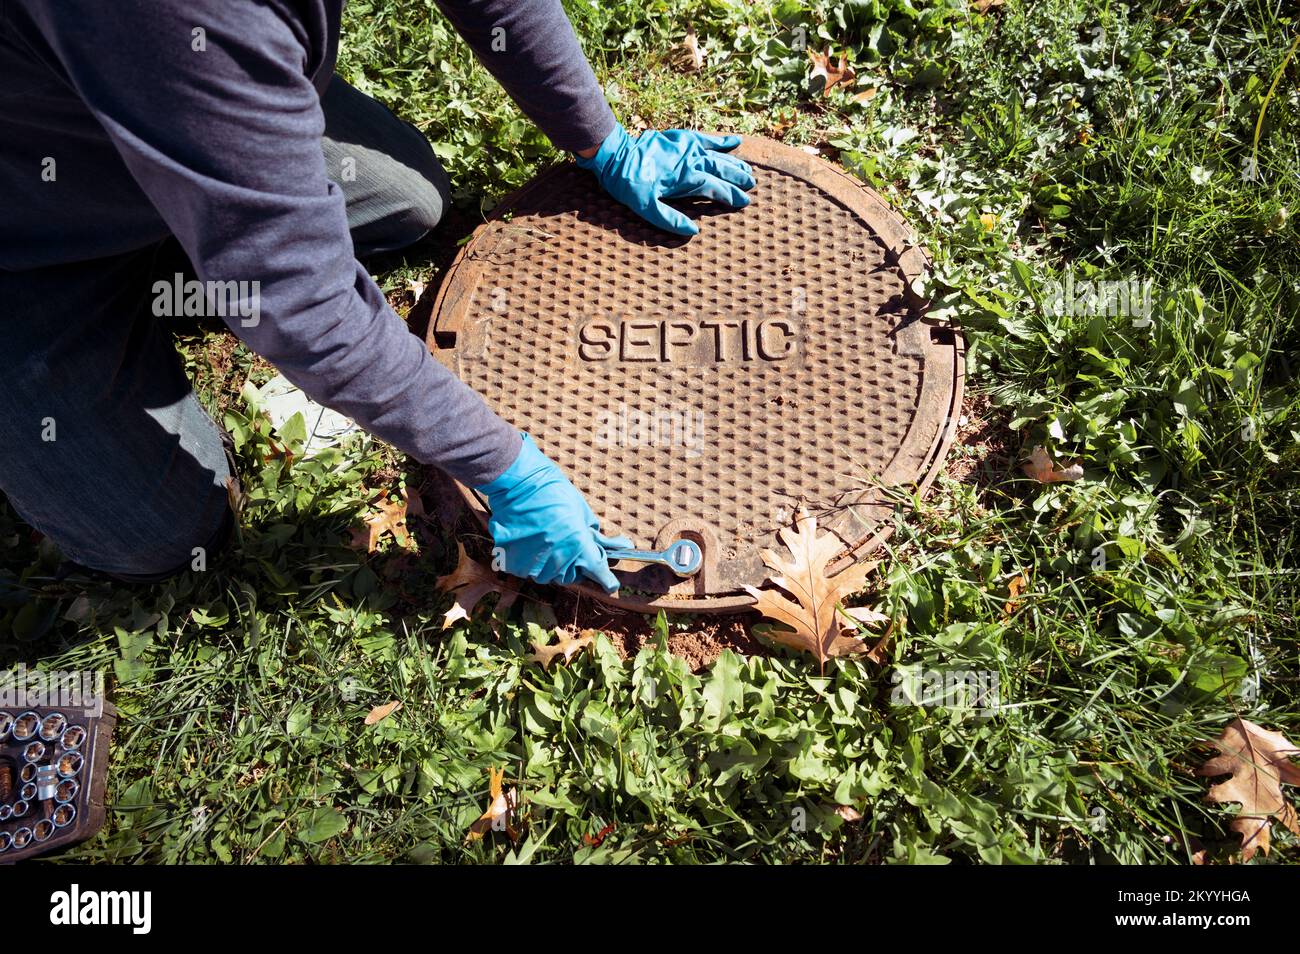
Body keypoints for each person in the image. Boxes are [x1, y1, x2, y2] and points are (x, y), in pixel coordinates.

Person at [0, 0, 755, 593]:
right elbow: (307, 302)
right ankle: (210, 236)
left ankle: (218, 217)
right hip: (30, 241)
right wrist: (504, 466)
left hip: (157, 97)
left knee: (409, 202)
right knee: (158, 532)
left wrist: (601, 140)